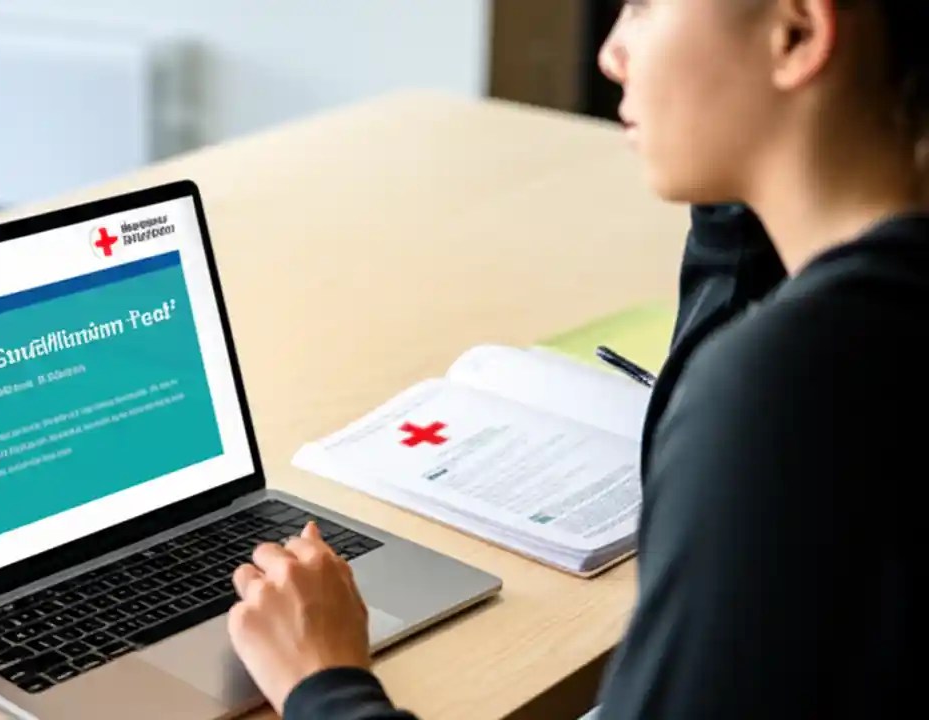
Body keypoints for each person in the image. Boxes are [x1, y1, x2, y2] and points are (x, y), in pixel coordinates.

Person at [224, 0, 926, 717]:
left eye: (646, 6)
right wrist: (740, 195)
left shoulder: (787, 391)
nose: (611, 53)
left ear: (797, 33)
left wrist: (324, 686)